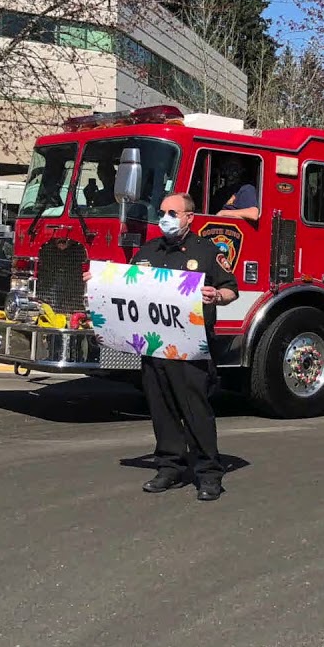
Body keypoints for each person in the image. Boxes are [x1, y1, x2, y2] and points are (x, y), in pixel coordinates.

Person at [113, 192, 240, 500]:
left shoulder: (206, 251)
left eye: (172, 212)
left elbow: (231, 290)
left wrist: (215, 296)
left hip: (190, 345)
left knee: (194, 407)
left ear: (188, 218)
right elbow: (126, 289)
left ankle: (209, 473)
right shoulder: (146, 252)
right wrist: (99, 281)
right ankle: (169, 467)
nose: (165, 218)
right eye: (162, 212)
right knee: (161, 407)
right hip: (155, 345)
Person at [211, 156, 259, 222]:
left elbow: (253, 214)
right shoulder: (220, 193)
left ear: (241, 170)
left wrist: (223, 213)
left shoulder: (246, 188)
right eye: (228, 166)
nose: (231, 169)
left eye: (234, 166)